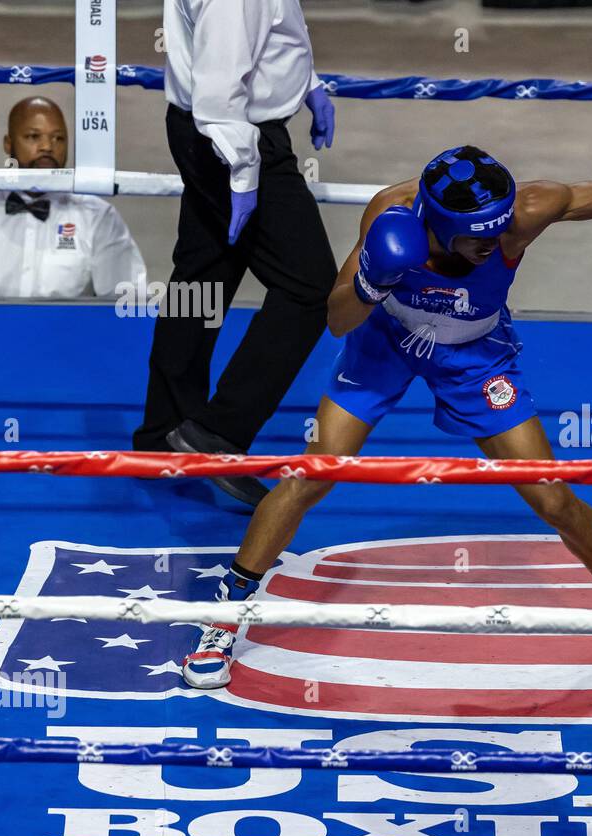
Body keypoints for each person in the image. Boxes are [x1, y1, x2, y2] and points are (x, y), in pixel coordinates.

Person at [180, 145, 592, 689]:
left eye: (497, 232)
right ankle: (226, 614)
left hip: (476, 357)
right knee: (311, 476)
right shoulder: (390, 211)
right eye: (478, 237)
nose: (493, 245)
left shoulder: (526, 211)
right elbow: (337, 319)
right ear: (438, 222)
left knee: (552, 496)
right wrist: (369, 283)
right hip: (386, 342)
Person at [133, 0, 339, 508]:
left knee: (203, 276)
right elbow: (221, 88)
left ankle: (164, 434)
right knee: (311, 288)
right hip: (232, 137)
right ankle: (218, 432)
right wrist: (245, 174)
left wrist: (304, 80)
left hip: (207, 131)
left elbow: (261, 33)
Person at [0, 96, 144, 298]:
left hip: (70, 330)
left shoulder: (98, 217)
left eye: (58, 138)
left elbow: (130, 303)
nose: (47, 147)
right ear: (8, 144)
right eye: (33, 136)